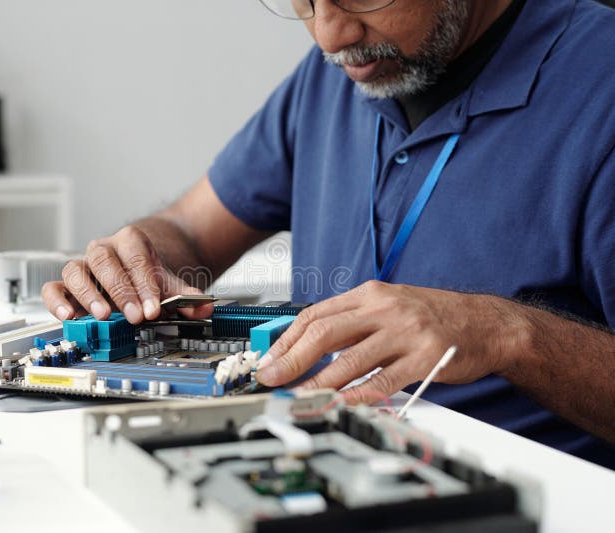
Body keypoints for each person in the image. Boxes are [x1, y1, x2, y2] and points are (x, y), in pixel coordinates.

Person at [42, 0, 615, 468]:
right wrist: (139, 259)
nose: (329, 36)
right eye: (304, 0)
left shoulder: (599, 84)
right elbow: (189, 228)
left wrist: (506, 333)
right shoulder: (336, 75)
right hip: (315, 462)